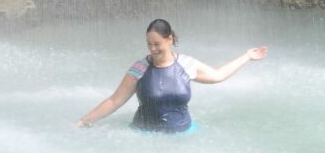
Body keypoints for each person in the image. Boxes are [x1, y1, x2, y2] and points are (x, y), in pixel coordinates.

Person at [75, 18, 268, 133]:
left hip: (183, 135)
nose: (152, 48)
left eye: (157, 43)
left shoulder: (186, 64)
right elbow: (115, 101)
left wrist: (247, 56)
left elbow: (218, 75)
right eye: (149, 43)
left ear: (169, 40)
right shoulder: (139, 67)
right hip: (145, 136)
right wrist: (84, 121)